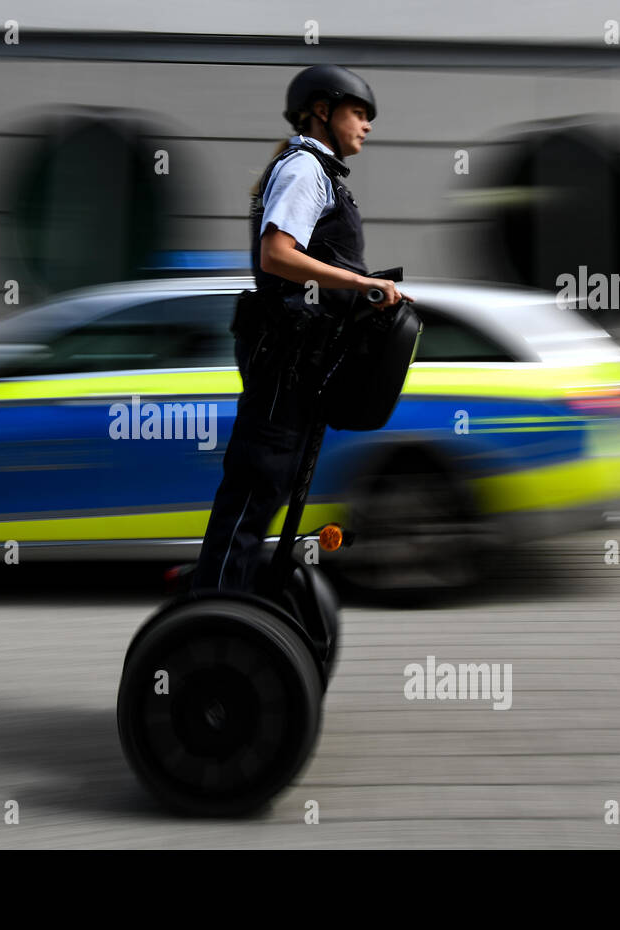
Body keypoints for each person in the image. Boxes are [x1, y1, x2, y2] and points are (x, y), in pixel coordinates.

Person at [191, 64, 415, 593]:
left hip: (301, 358)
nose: (366, 125)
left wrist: (363, 292)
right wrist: (362, 286)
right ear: (322, 111)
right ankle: (214, 610)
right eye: (358, 112)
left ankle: (239, 600)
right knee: (257, 482)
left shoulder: (325, 173)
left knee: (274, 482)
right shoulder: (304, 169)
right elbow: (277, 255)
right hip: (283, 357)